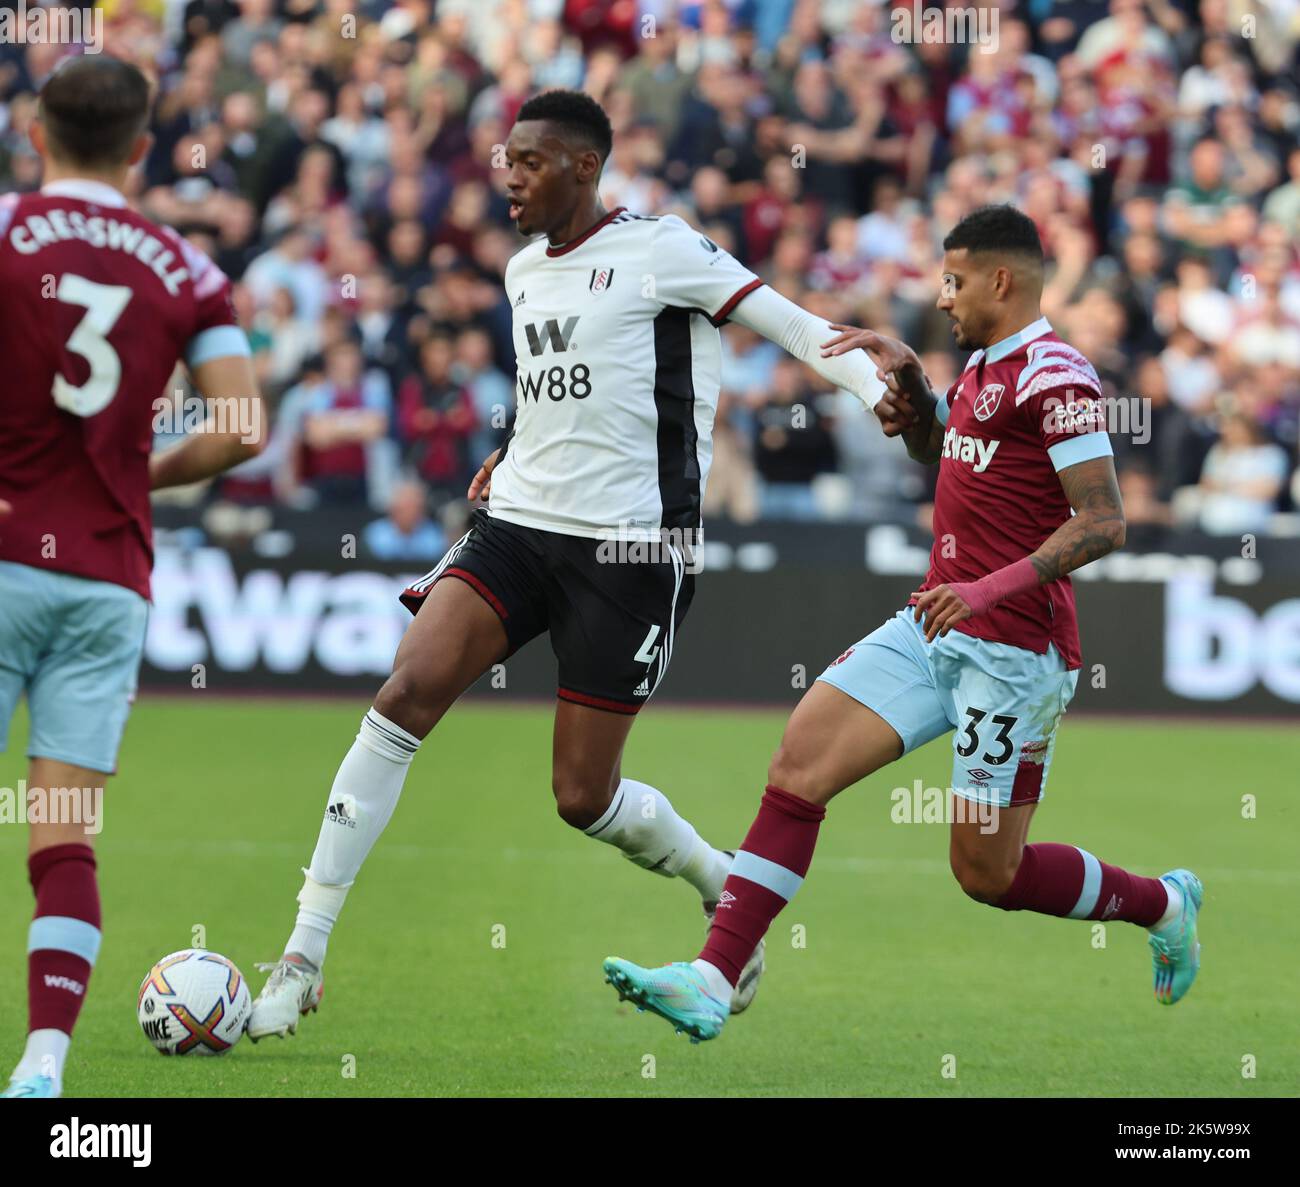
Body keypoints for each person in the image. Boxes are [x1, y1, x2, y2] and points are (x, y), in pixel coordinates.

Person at [247, 88, 887, 1040]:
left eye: (530, 162)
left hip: (630, 552)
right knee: (404, 693)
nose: (509, 176)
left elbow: (794, 329)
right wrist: (516, 444)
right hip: (517, 524)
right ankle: (301, 957)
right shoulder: (519, 274)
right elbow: (559, 387)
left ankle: (717, 880)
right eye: (505, 159)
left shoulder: (662, 249)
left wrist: (903, 398)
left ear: (584, 167)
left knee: (582, 797)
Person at [603, 205, 1203, 1041]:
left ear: (1002, 279)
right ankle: (713, 974)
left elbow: (1104, 521)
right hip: (934, 623)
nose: (943, 295)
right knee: (799, 762)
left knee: (986, 872)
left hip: (1014, 654)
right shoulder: (982, 366)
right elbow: (943, 455)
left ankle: (1164, 903)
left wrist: (987, 592)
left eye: (954, 279)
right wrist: (921, 404)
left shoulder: (1056, 374)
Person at [0, 55, 264, 1096]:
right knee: (62, 833)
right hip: (109, 572)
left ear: (34, 131)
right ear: (143, 149)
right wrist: (136, 474)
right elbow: (241, 426)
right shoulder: (185, 268)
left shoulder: (6, 231)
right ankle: (43, 1061)